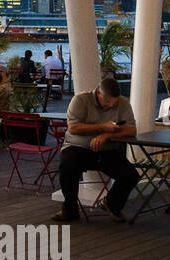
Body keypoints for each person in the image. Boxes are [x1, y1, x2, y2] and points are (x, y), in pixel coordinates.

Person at [55, 77, 140, 223]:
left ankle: (111, 204)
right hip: (78, 147)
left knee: (131, 175)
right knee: (67, 165)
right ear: (98, 93)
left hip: (107, 150)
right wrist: (103, 127)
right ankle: (70, 209)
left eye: (113, 103)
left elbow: (131, 130)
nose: (110, 105)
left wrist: (106, 135)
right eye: (107, 102)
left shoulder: (122, 103)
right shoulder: (80, 100)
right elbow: (73, 128)